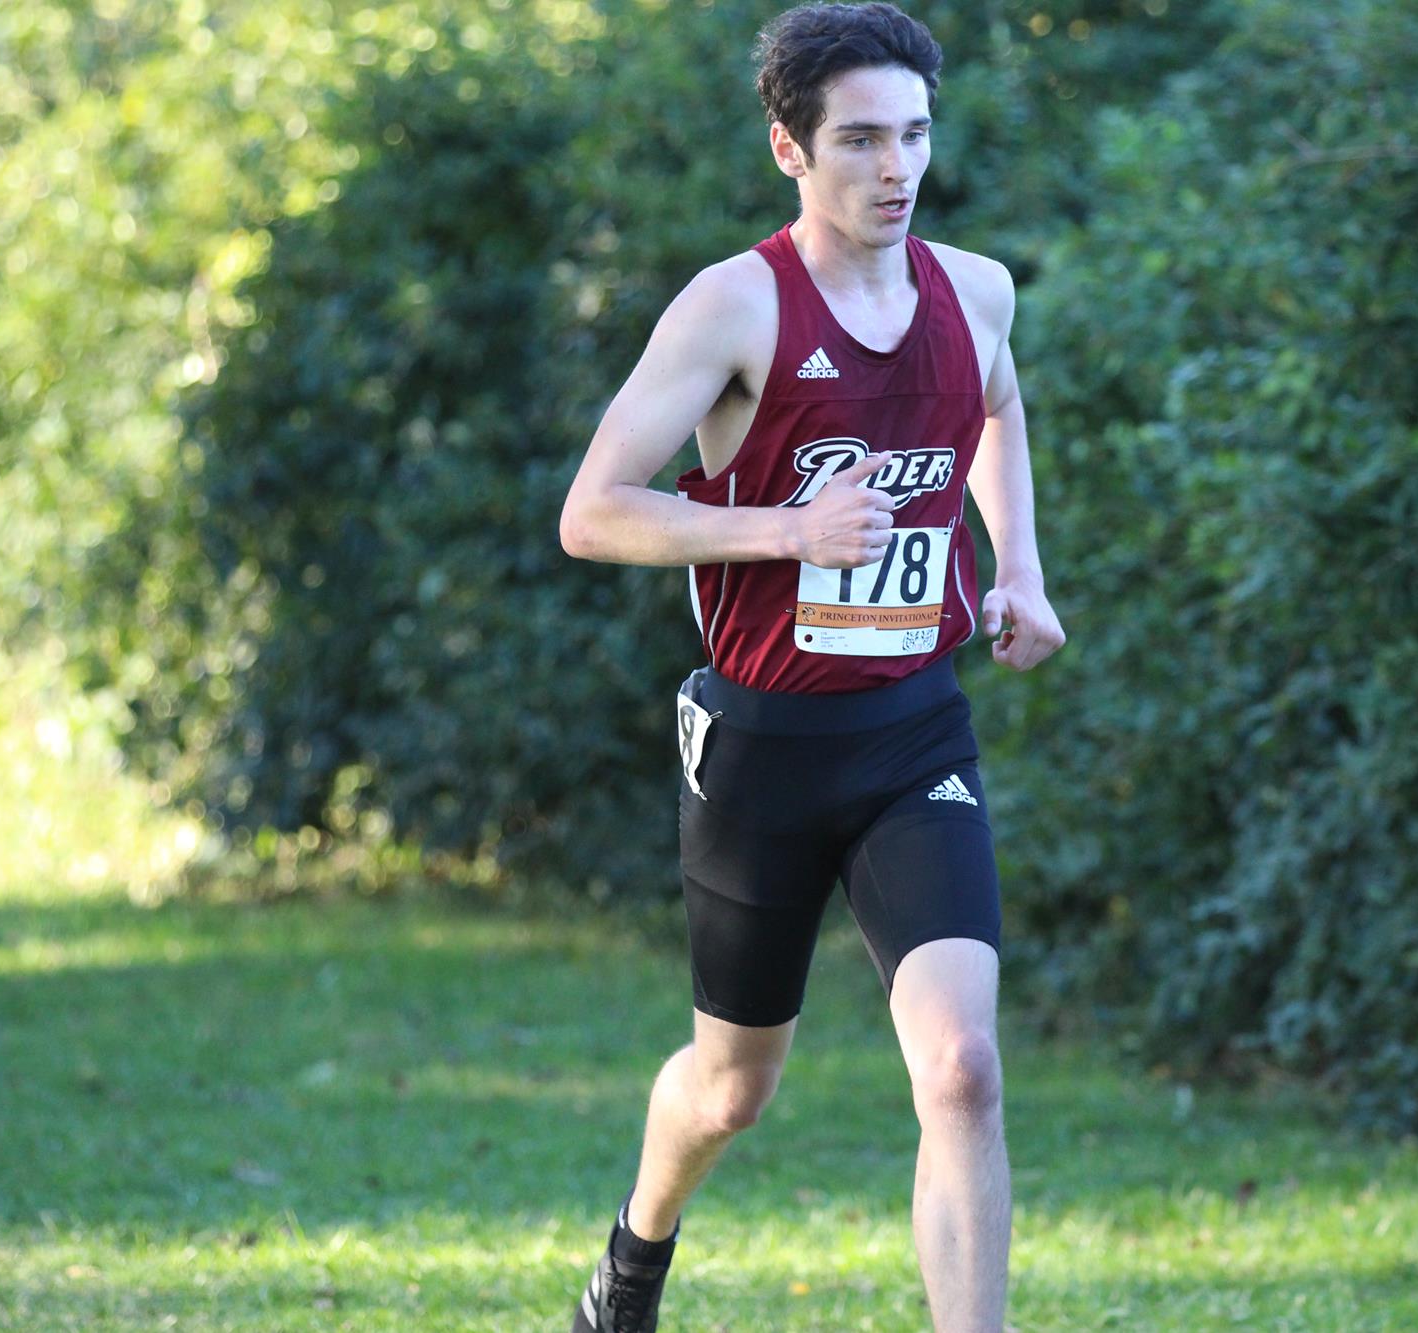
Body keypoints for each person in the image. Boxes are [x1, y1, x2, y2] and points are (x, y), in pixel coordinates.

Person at [556, 4, 1063, 1329]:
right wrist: (786, 527)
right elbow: (595, 510)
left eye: (914, 136)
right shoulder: (735, 307)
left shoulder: (977, 291)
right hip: (762, 747)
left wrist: (1019, 571)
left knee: (961, 1066)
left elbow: (998, 410)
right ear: (791, 149)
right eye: (858, 141)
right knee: (733, 1088)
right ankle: (634, 1252)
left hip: (913, 735)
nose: (894, 169)